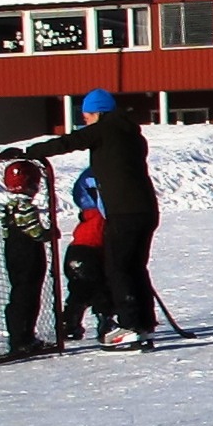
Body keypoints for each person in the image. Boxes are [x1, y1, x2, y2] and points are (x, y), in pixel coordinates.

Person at [19, 89, 161, 350]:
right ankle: (144, 324)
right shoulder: (131, 133)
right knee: (135, 267)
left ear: (98, 112)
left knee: (117, 268)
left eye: (86, 114)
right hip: (145, 210)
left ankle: (130, 324)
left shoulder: (106, 129)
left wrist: (29, 152)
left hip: (123, 211)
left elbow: (67, 142)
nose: (84, 119)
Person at [0, 158, 56, 356]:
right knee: (28, 293)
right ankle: (23, 337)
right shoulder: (26, 206)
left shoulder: (6, 207)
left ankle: (19, 336)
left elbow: (6, 230)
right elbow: (34, 231)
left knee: (18, 290)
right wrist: (48, 234)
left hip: (12, 251)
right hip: (28, 253)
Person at [57, 169, 113, 341]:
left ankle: (69, 323)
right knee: (101, 289)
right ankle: (106, 323)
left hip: (75, 252)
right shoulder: (103, 217)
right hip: (91, 253)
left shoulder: (87, 215)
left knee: (79, 290)